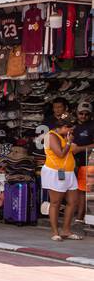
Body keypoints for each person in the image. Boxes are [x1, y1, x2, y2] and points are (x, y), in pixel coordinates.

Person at [42, 115, 80, 242]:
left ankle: (66, 230)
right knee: (55, 203)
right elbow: (60, 154)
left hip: (68, 173)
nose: (72, 132)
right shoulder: (51, 136)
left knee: (73, 202)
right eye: (70, 129)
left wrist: (70, 144)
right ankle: (55, 232)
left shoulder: (64, 136)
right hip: (55, 172)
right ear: (64, 127)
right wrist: (69, 143)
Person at [71, 101, 93, 240]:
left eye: (87, 114)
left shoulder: (92, 126)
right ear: (77, 113)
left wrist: (80, 149)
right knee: (76, 190)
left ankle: (80, 218)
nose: (84, 115)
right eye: (81, 113)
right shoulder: (73, 126)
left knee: (83, 191)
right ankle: (78, 216)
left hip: (88, 162)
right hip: (74, 163)